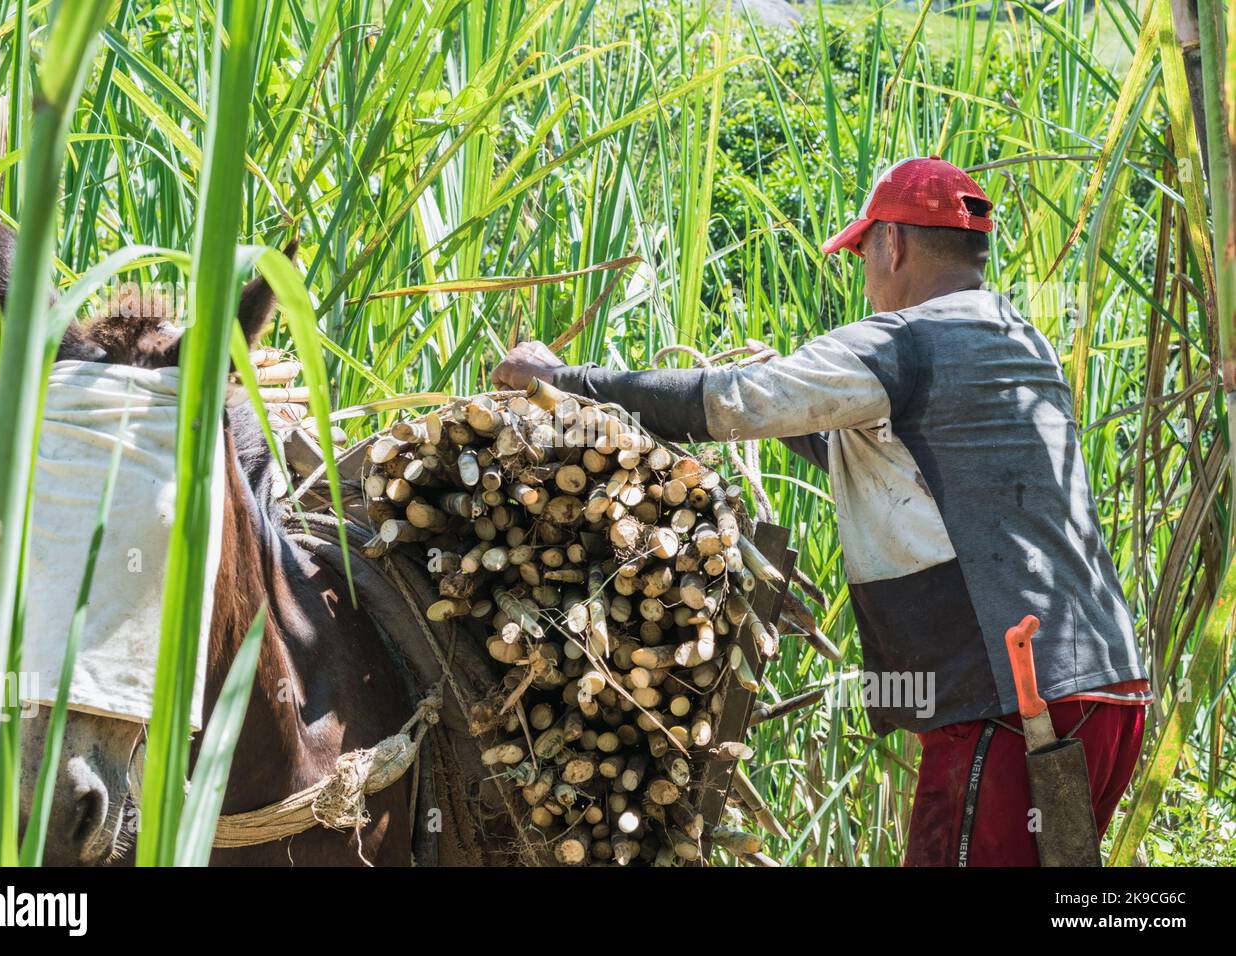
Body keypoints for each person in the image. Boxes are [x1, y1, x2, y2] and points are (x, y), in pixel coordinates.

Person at [491, 156, 1151, 866]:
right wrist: (805, 403)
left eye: (863, 253)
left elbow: (727, 402)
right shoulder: (1020, 342)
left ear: (890, 245)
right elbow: (903, 461)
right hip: (1107, 692)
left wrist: (562, 382)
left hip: (1008, 703)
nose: (866, 275)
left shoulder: (901, 342)